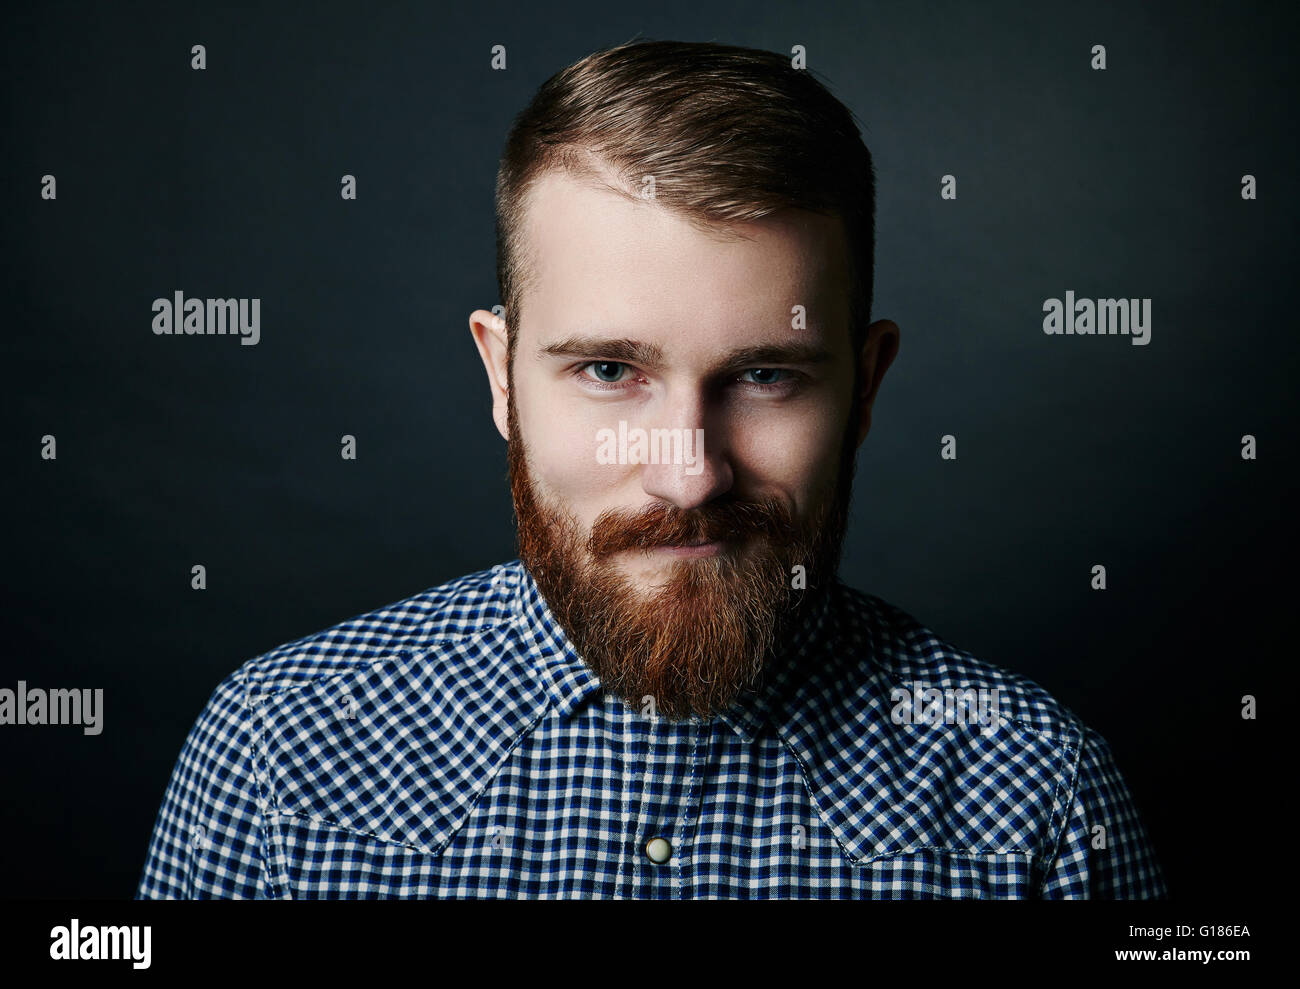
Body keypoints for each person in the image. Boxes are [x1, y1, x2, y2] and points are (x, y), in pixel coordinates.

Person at [137, 39, 1165, 899]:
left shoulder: (1036, 792)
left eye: (765, 374)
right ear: (500, 375)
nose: (688, 475)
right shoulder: (275, 752)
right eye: (607, 369)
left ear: (865, 383)